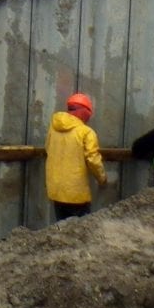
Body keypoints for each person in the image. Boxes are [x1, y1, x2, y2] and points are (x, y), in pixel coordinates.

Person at [44, 92, 108, 221]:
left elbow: (47, 148)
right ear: (85, 112)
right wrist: (102, 179)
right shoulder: (86, 132)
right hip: (76, 193)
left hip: (56, 189)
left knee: (61, 228)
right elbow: (93, 160)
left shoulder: (53, 128)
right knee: (79, 232)